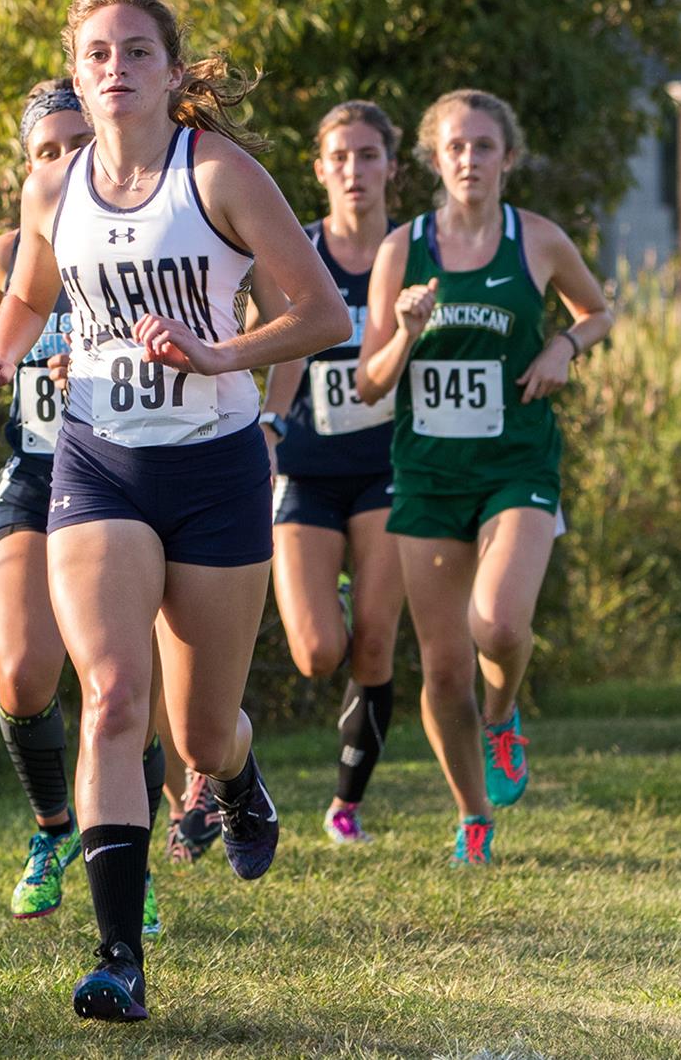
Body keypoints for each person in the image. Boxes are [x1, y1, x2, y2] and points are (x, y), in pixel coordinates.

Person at [0, 0, 349, 1022]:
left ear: (172, 72)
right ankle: (117, 959)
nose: (116, 68)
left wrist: (219, 350)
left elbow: (316, 312)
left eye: (137, 51)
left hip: (216, 468)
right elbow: (32, 293)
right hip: (98, 465)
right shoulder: (57, 188)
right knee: (114, 702)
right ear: (76, 75)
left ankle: (238, 768)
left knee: (197, 725)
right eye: (96, 53)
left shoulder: (216, 172)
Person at [356, 90, 613, 866]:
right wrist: (403, 331)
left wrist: (563, 348)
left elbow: (597, 311)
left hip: (516, 463)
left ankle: (504, 718)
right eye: (456, 146)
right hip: (429, 474)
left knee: (498, 624)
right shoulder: (404, 250)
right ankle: (473, 814)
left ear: (508, 156)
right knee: (441, 667)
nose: (470, 159)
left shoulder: (534, 239)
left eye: (484, 146)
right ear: (435, 158)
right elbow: (369, 384)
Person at [0, 80, 166, 934]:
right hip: (34, 475)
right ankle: (51, 833)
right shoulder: (8, 254)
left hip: (119, 478)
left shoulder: (137, 238)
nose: (67, 160)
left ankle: (127, 863)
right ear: (26, 168)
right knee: (22, 672)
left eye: (80, 142)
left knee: (117, 684)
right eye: (49, 150)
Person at [254, 100, 408, 846]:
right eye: (339, 157)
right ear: (319, 170)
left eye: (368, 155)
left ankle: (346, 804)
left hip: (390, 468)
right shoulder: (297, 254)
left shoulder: (417, 255)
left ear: (391, 167)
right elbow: (272, 344)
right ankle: (338, 589)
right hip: (308, 469)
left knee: (374, 645)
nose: (354, 170)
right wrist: (270, 429)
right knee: (318, 652)